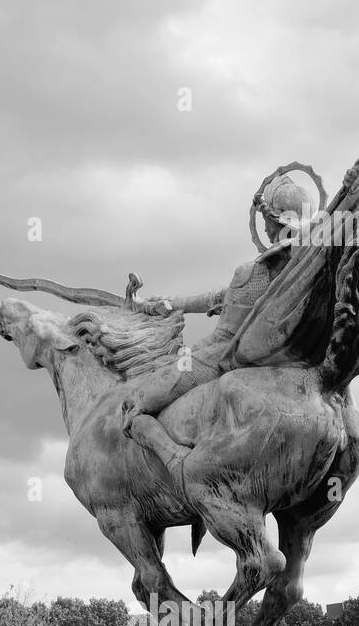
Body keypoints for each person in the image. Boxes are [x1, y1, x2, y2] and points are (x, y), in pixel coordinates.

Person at [112, 173, 316, 442]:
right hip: (296, 362)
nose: (264, 228)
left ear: (272, 221)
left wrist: (184, 355)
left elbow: (223, 338)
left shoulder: (252, 272)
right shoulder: (306, 271)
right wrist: (172, 304)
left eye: (265, 220)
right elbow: (221, 297)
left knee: (137, 399)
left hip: (227, 355)